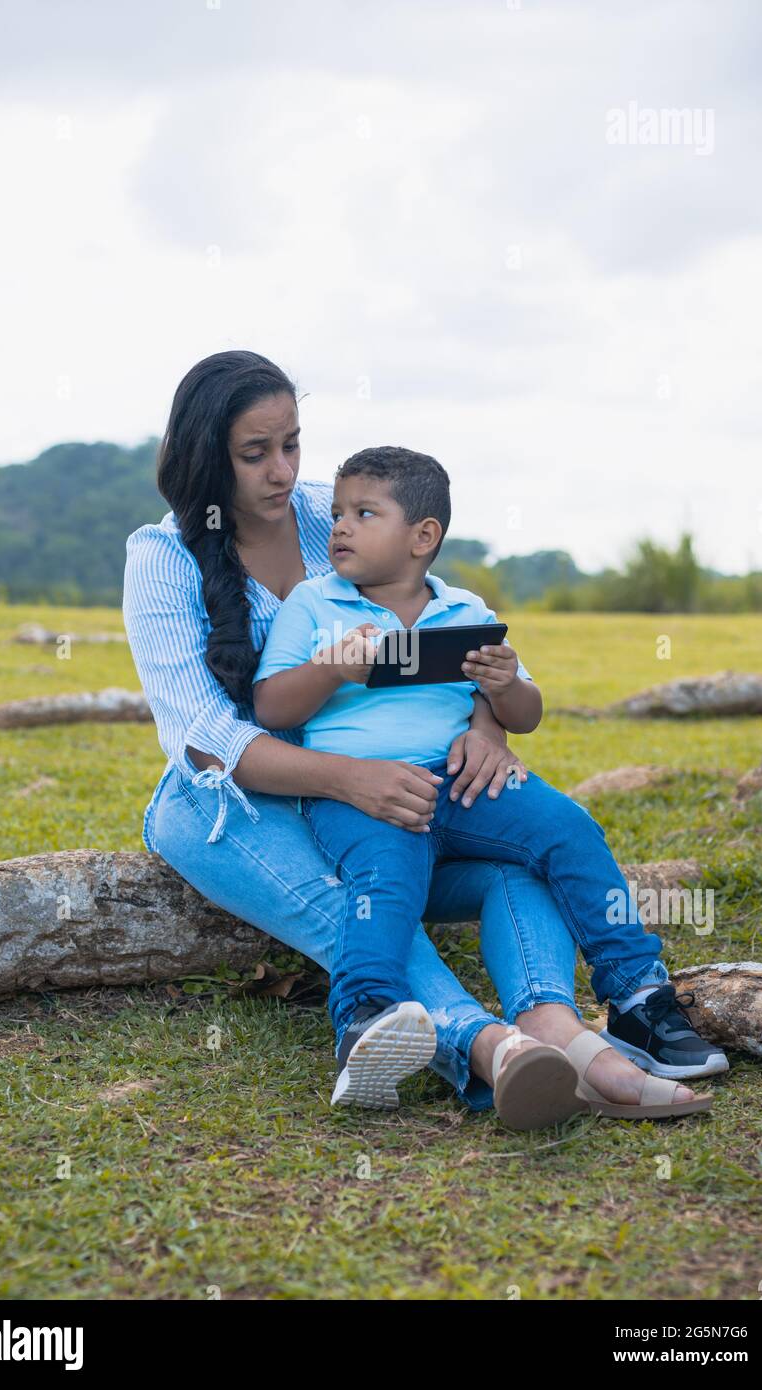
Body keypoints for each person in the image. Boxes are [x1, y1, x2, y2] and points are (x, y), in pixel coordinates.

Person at [123, 349, 723, 1134]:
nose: (282, 470)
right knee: (359, 903)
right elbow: (209, 740)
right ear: (209, 456)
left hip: (399, 783)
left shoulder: (333, 514)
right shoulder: (163, 557)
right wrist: (347, 779)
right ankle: (487, 1047)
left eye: (292, 444)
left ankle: (556, 1022)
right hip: (242, 799)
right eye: (255, 453)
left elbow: (448, 636)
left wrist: (485, 727)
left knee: (525, 851)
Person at [253, 445, 727, 1125]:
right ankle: (365, 1019)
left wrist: (504, 691)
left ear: (423, 537)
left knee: (567, 828)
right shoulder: (313, 604)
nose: (341, 528)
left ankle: (636, 997)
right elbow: (271, 709)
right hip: (359, 794)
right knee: (385, 878)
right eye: (336, 514)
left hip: (463, 781)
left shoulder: (465, 611)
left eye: (363, 513)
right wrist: (330, 670)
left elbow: (525, 715)